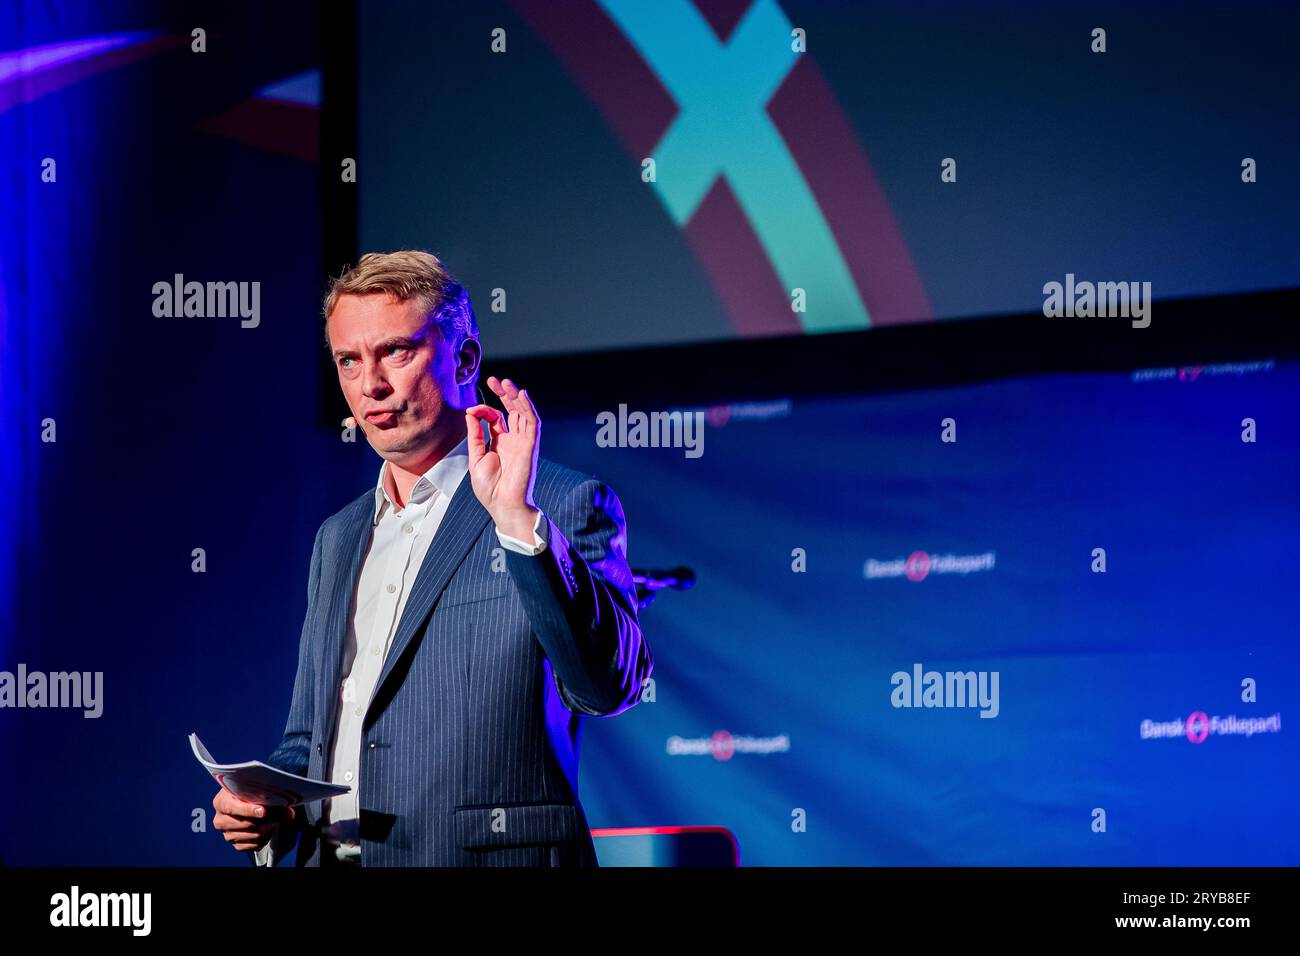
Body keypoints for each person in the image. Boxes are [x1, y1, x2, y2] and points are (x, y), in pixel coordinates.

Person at [211, 250, 652, 866]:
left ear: (465, 359)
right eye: (348, 360)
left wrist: (517, 521)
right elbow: (312, 738)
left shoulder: (558, 503)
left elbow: (609, 687)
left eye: (395, 351)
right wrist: (267, 808)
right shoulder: (337, 538)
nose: (370, 385)